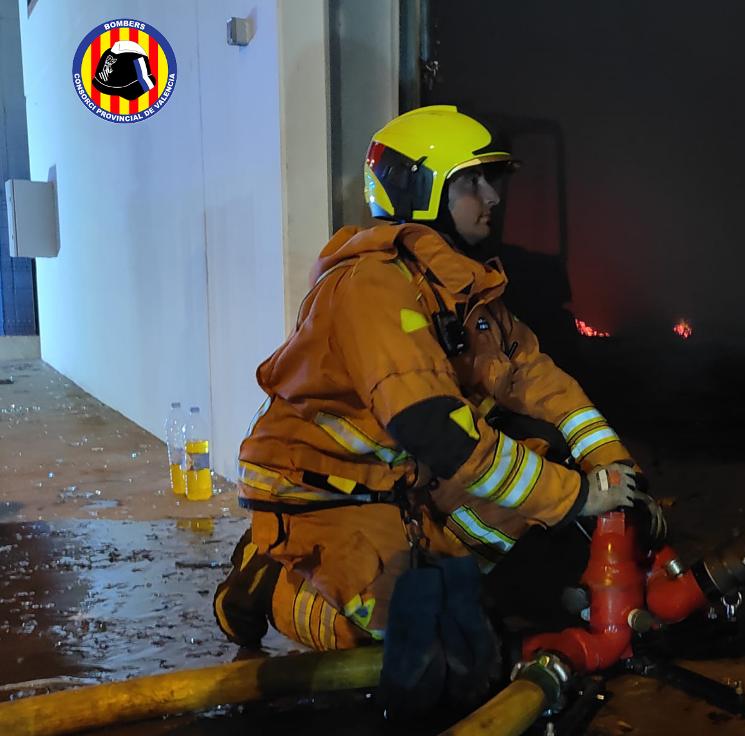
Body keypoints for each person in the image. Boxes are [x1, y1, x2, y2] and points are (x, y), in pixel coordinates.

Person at [213, 106, 663, 672]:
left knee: (519, 516)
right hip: (323, 492)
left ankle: (438, 573)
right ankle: (267, 583)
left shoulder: (459, 288)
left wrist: (612, 466)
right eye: (472, 181)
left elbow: (532, 374)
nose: (492, 198)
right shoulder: (372, 289)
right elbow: (438, 434)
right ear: (421, 189)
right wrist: (576, 494)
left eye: (489, 180)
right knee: (404, 643)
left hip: (404, 478)